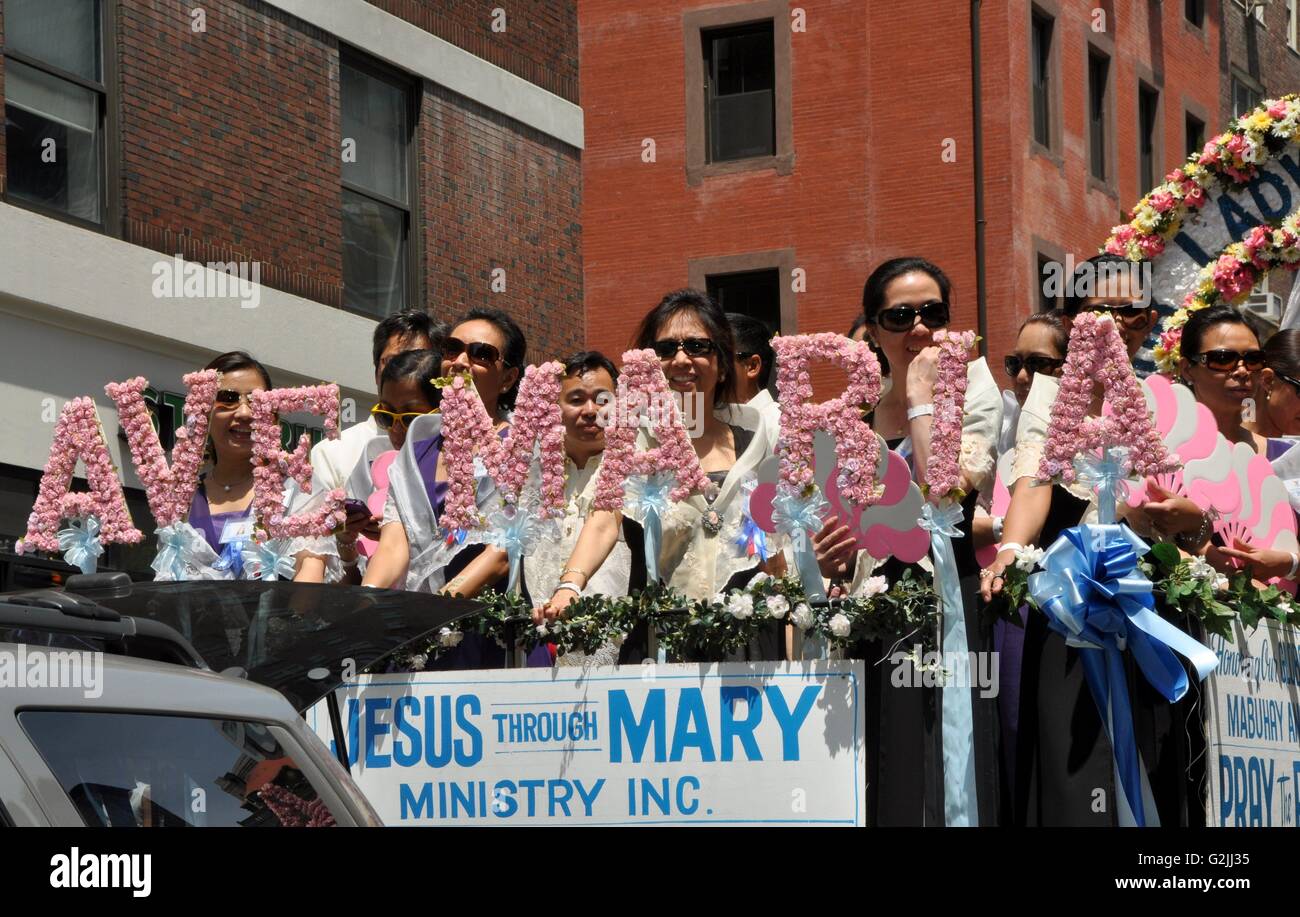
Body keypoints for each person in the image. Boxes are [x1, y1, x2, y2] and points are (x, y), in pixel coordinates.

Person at [981, 257, 1206, 827]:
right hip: (1071, 609)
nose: (1109, 323)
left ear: (1148, 320)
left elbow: (1200, 519)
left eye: (1124, 311)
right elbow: (1033, 482)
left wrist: (1188, 521)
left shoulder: (1173, 401)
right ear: (1073, 319)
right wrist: (1010, 551)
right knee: (1073, 765)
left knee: (1158, 761)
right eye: (1093, 310)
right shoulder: (1050, 398)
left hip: (1154, 609)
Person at [836, 256, 1003, 826]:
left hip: (942, 592)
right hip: (867, 602)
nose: (920, 328)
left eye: (933, 312)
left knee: (939, 747)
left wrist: (921, 401)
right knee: (880, 752)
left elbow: (944, 497)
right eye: (900, 316)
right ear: (874, 328)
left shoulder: (974, 390)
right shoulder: (856, 411)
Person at [537, 289, 781, 627]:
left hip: (748, 637)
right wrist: (569, 586)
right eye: (666, 349)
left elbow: (777, 547)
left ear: (723, 364)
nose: (680, 360)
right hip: (662, 638)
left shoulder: (757, 441)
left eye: (697, 346)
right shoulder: (636, 440)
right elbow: (605, 516)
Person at [294, 310, 438, 582]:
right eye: (393, 360)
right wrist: (346, 539)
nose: (405, 368)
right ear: (376, 370)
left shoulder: (457, 453)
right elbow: (319, 561)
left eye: (418, 358)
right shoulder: (333, 452)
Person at [526, 353, 645, 665]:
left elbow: (605, 522)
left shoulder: (638, 467)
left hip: (624, 654)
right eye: (576, 399)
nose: (591, 411)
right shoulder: (531, 474)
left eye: (603, 400)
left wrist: (569, 588)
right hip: (538, 652)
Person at [187, 351, 274, 576]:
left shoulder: (293, 493)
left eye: (256, 400)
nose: (244, 412)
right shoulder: (181, 499)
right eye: (227, 398)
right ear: (204, 411)